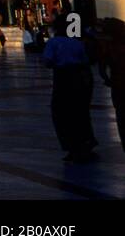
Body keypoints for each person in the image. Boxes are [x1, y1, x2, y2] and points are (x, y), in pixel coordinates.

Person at [42, 15, 97, 162]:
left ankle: (72, 147)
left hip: (62, 78)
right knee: (80, 112)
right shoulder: (76, 43)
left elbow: (47, 61)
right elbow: (85, 61)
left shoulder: (53, 43)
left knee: (62, 113)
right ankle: (85, 142)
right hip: (78, 78)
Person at [96, 18, 125, 154]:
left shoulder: (109, 48)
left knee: (121, 118)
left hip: (118, 87)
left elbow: (102, 69)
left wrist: (108, 80)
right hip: (118, 86)